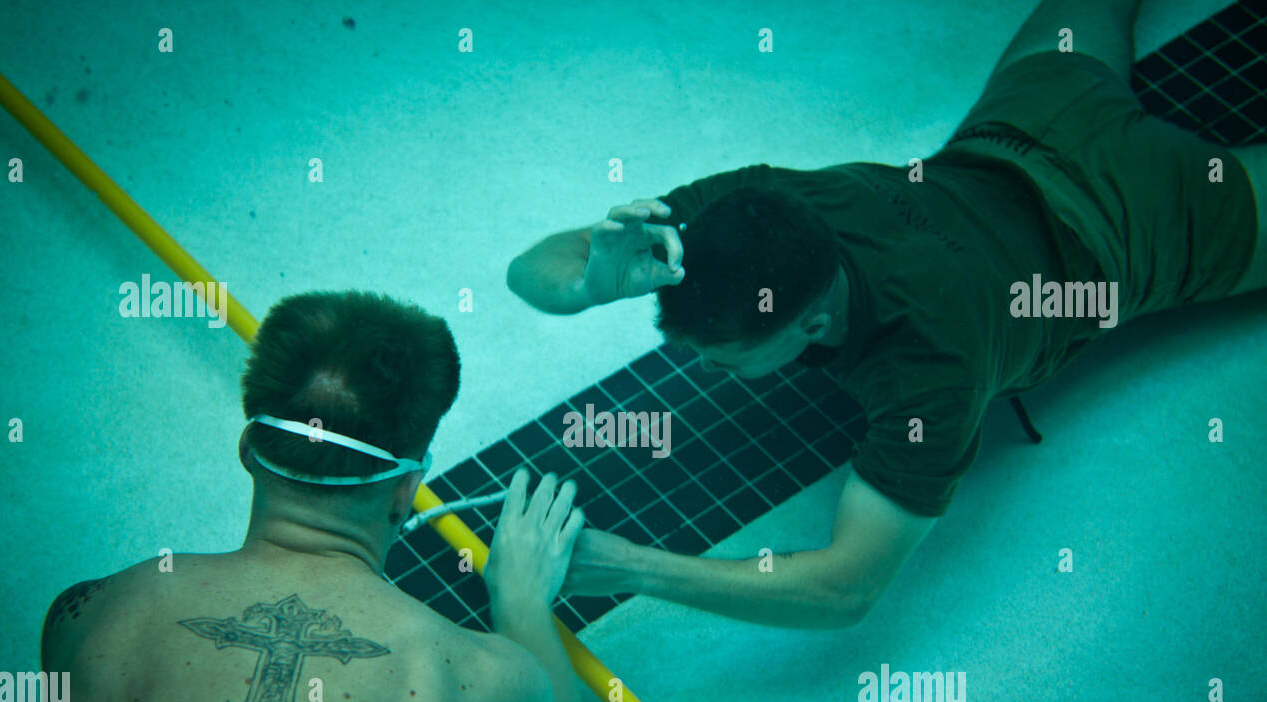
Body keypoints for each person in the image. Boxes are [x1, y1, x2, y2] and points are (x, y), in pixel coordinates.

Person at [507, 0, 1266, 630]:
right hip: (1024, 124)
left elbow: (844, 589)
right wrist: (589, 283)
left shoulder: (927, 369)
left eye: (729, 359)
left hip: (1142, 218)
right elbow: (525, 272)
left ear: (809, 325)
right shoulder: (759, 205)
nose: (707, 370)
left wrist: (627, 566)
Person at [31, 290, 586, 702]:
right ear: (404, 490)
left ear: (248, 449)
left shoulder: (91, 612)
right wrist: (521, 602)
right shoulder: (477, 680)